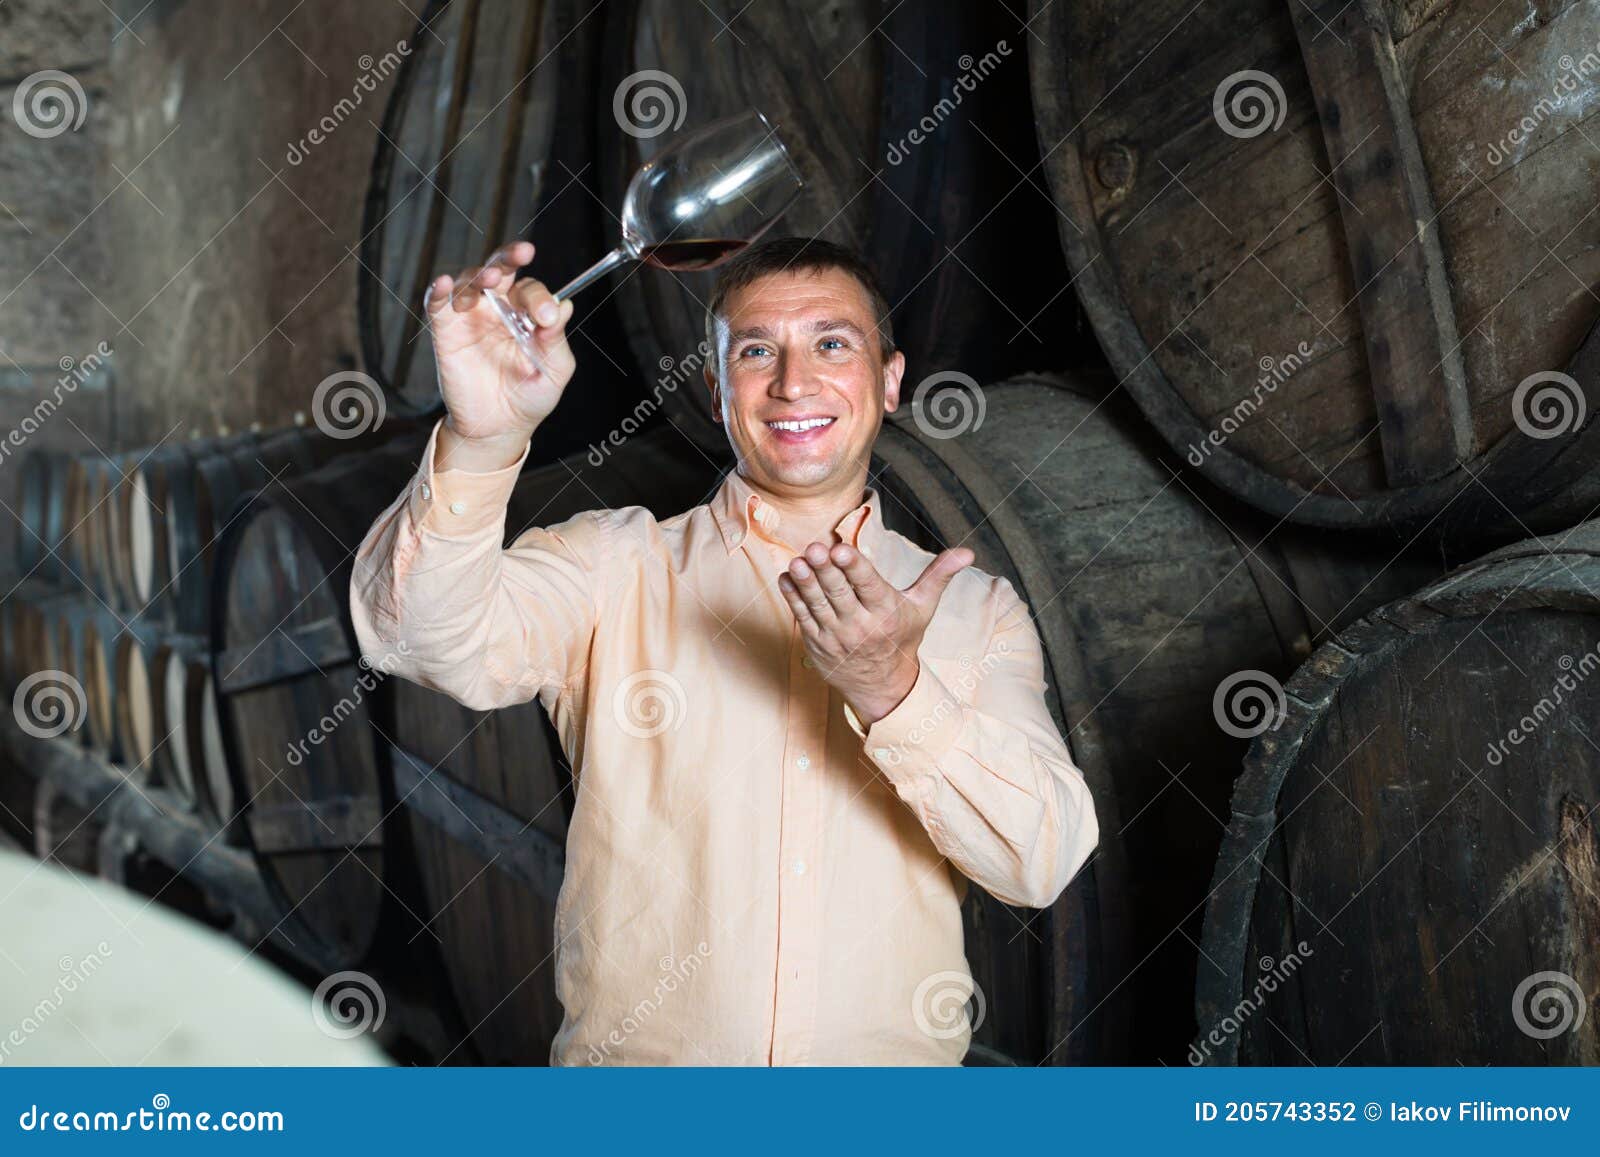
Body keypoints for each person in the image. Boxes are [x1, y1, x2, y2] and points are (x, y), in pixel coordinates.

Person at [349, 234, 1099, 1065]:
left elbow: (1043, 858)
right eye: (755, 350)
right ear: (715, 389)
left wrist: (895, 689)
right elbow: (410, 634)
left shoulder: (975, 609)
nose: (793, 382)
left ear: (889, 381)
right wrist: (479, 440)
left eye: (832, 343)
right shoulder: (612, 567)